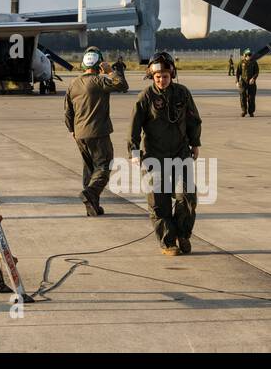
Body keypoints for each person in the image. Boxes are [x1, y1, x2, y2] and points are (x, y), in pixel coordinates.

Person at [129, 52, 202, 256]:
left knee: (187, 196)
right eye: (158, 76)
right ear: (152, 77)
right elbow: (134, 126)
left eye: (166, 76)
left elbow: (193, 119)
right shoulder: (146, 97)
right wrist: (134, 150)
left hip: (180, 153)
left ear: (172, 75)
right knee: (158, 201)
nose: (162, 80)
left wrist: (195, 143)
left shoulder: (182, 93)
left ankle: (183, 234)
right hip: (154, 156)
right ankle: (168, 242)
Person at [63, 46, 128, 216]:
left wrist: (73, 130)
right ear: (99, 64)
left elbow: (67, 112)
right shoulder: (100, 81)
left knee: (89, 169)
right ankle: (90, 193)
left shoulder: (73, 84)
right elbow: (122, 85)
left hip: (79, 134)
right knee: (104, 166)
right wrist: (112, 71)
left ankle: (92, 206)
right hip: (98, 133)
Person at [235, 48, 259, 117]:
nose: (249, 56)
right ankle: (244, 111)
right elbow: (237, 73)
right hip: (243, 82)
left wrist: (253, 78)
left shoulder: (254, 62)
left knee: (251, 98)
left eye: (250, 55)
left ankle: (251, 111)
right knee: (242, 97)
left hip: (251, 82)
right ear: (244, 55)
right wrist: (237, 81)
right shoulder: (241, 63)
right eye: (248, 55)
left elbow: (257, 72)